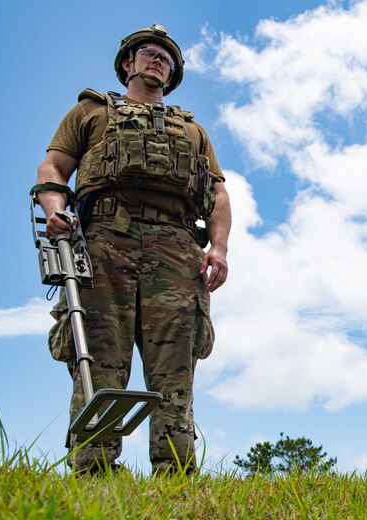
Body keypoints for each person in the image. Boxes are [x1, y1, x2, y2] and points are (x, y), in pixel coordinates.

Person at [33, 24, 231, 474]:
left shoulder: (193, 132)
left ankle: (176, 475)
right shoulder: (90, 112)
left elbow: (219, 194)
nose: (158, 59)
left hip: (177, 249)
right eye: (149, 52)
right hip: (105, 240)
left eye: (167, 57)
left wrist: (219, 248)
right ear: (128, 63)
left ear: (172, 73)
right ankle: (94, 471)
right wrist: (55, 210)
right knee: (99, 357)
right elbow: (53, 167)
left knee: (175, 366)